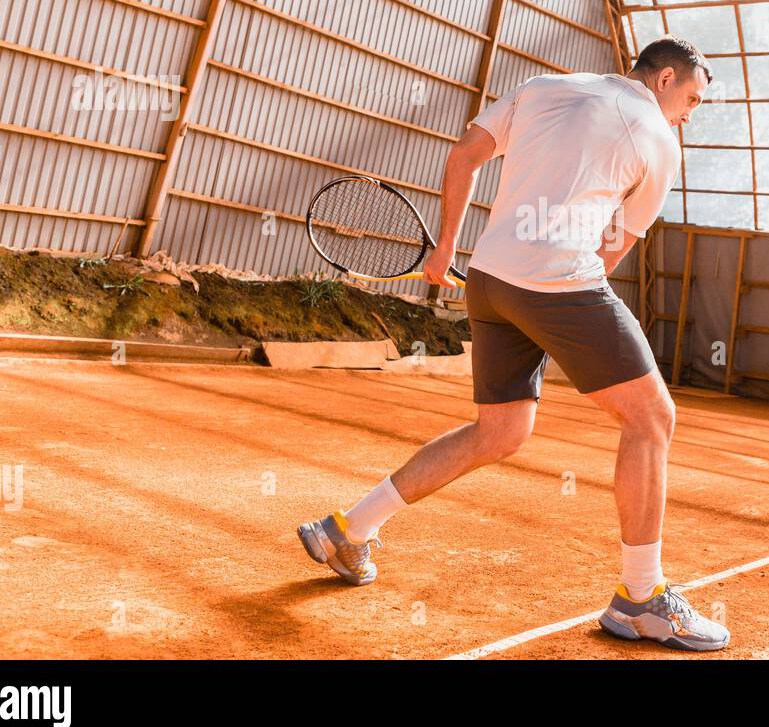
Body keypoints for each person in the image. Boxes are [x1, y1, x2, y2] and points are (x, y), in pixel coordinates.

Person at [298, 35, 729, 651]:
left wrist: (446, 247)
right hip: (557, 284)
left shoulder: (544, 87)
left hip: (491, 280)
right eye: (692, 97)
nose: (690, 112)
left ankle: (348, 529)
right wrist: (561, 295)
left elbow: (463, 159)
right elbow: (613, 248)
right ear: (663, 79)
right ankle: (641, 598)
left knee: (499, 431)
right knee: (652, 417)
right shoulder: (661, 140)